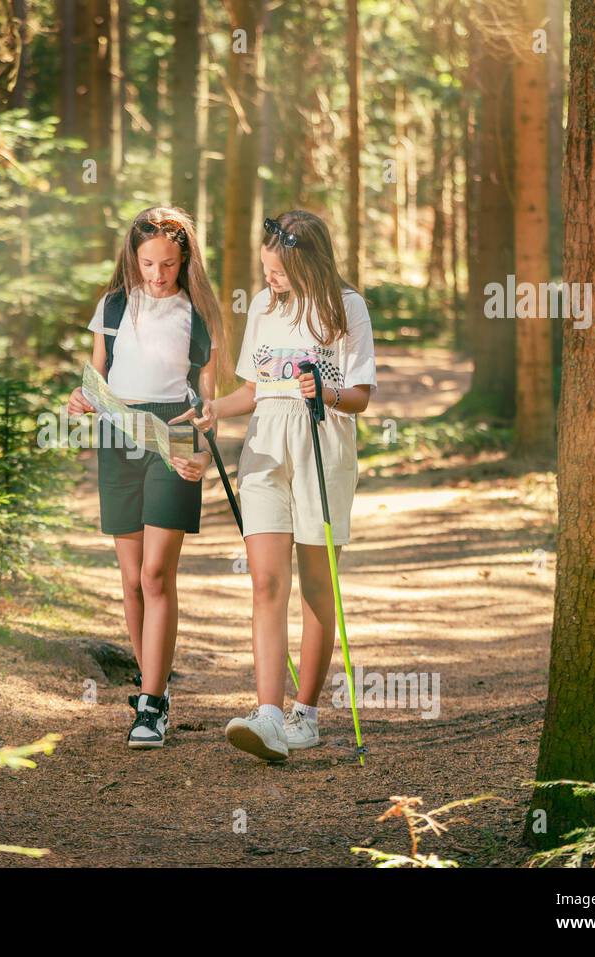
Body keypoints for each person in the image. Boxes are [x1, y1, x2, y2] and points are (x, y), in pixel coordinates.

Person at [182, 210, 377, 761]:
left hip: (324, 445)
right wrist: (214, 408)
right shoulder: (264, 308)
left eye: (279, 272)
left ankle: (304, 715)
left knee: (318, 584)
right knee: (266, 581)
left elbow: (360, 396)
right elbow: (255, 388)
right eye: (267, 270)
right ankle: (267, 714)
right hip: (264, 448)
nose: (270, 280)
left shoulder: (347, 308)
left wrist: (325, 391)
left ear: (308, 263)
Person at [66, 206, 227, 749]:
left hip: (173, 436)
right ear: (132, 258)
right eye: (148, 263)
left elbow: (208, 398)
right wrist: (81, 398)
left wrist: (205, 434)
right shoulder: (112, 306)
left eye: (169, 264)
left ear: (185, 261)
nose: (158, 275)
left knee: (158, 574)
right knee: (132, 580)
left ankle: (153, 707)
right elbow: (97, 378)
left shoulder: (199, 312)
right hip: (117, 435)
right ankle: (146, 689)